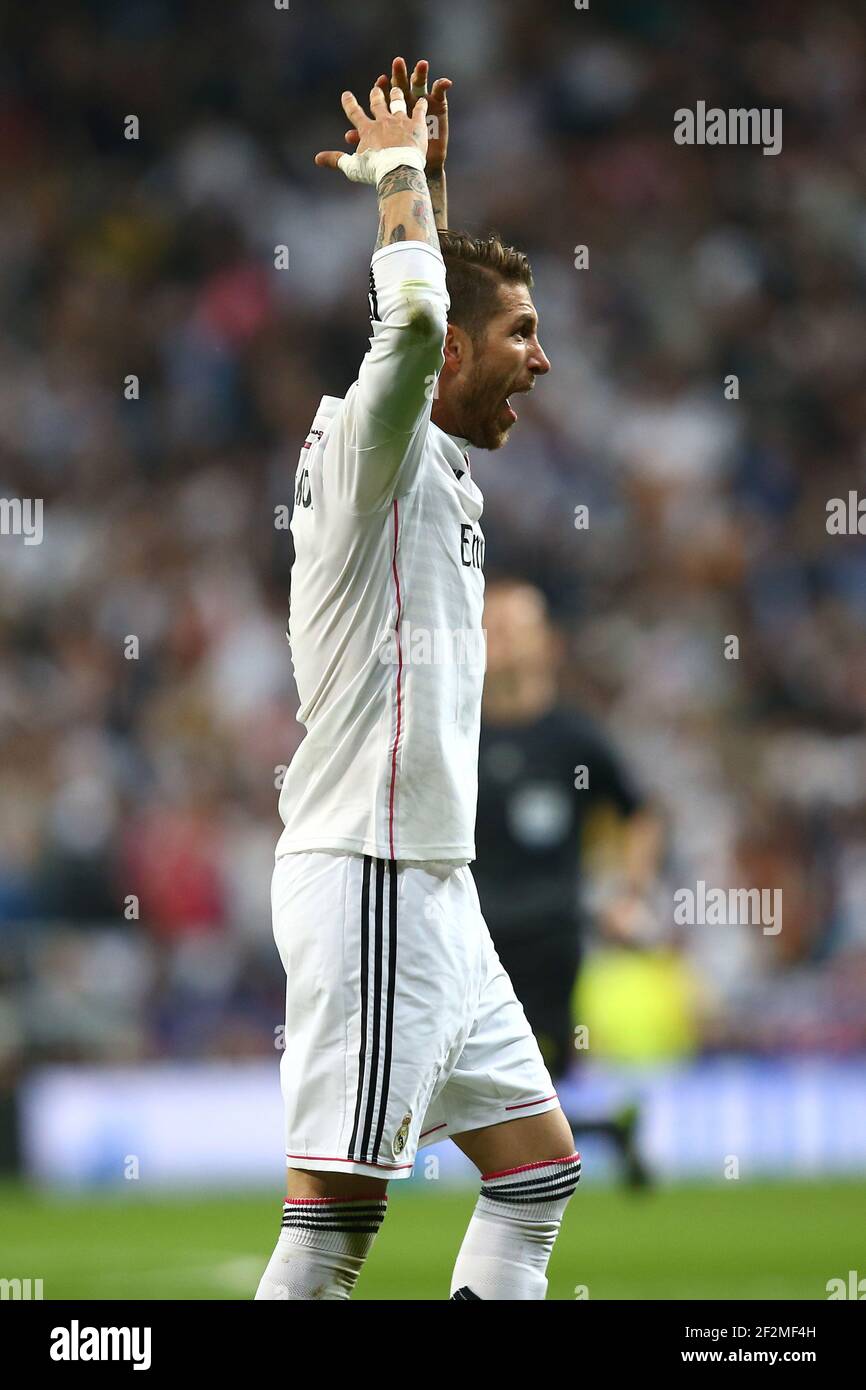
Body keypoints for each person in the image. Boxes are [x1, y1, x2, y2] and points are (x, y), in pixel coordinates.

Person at [255, 58, 579, 1302]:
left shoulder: (425, 459)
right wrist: (396, 179)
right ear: (454, 348)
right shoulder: (371, 437)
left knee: (537, 1173)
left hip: (433, 884)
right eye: (521, 333)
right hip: (370, 871)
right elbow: (410, 325)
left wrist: (428, 192)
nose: (539, 361)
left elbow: (427, 323)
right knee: (333, 1225)